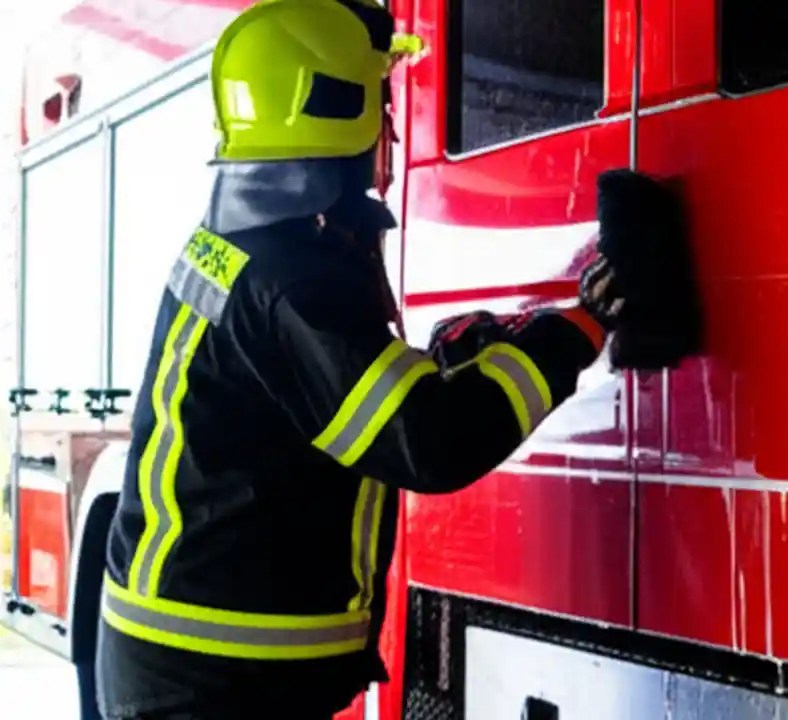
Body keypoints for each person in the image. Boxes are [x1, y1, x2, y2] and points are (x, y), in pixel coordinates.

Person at [92, 0, 630, 717]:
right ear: (334, 113)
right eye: (381, 103)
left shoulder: (258, 245)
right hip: (216, 684)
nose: (395, 127)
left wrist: (448, 362)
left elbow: (327, 401)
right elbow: (427, 441)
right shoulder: (292, 277)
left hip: (198, 663)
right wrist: (581, 329)